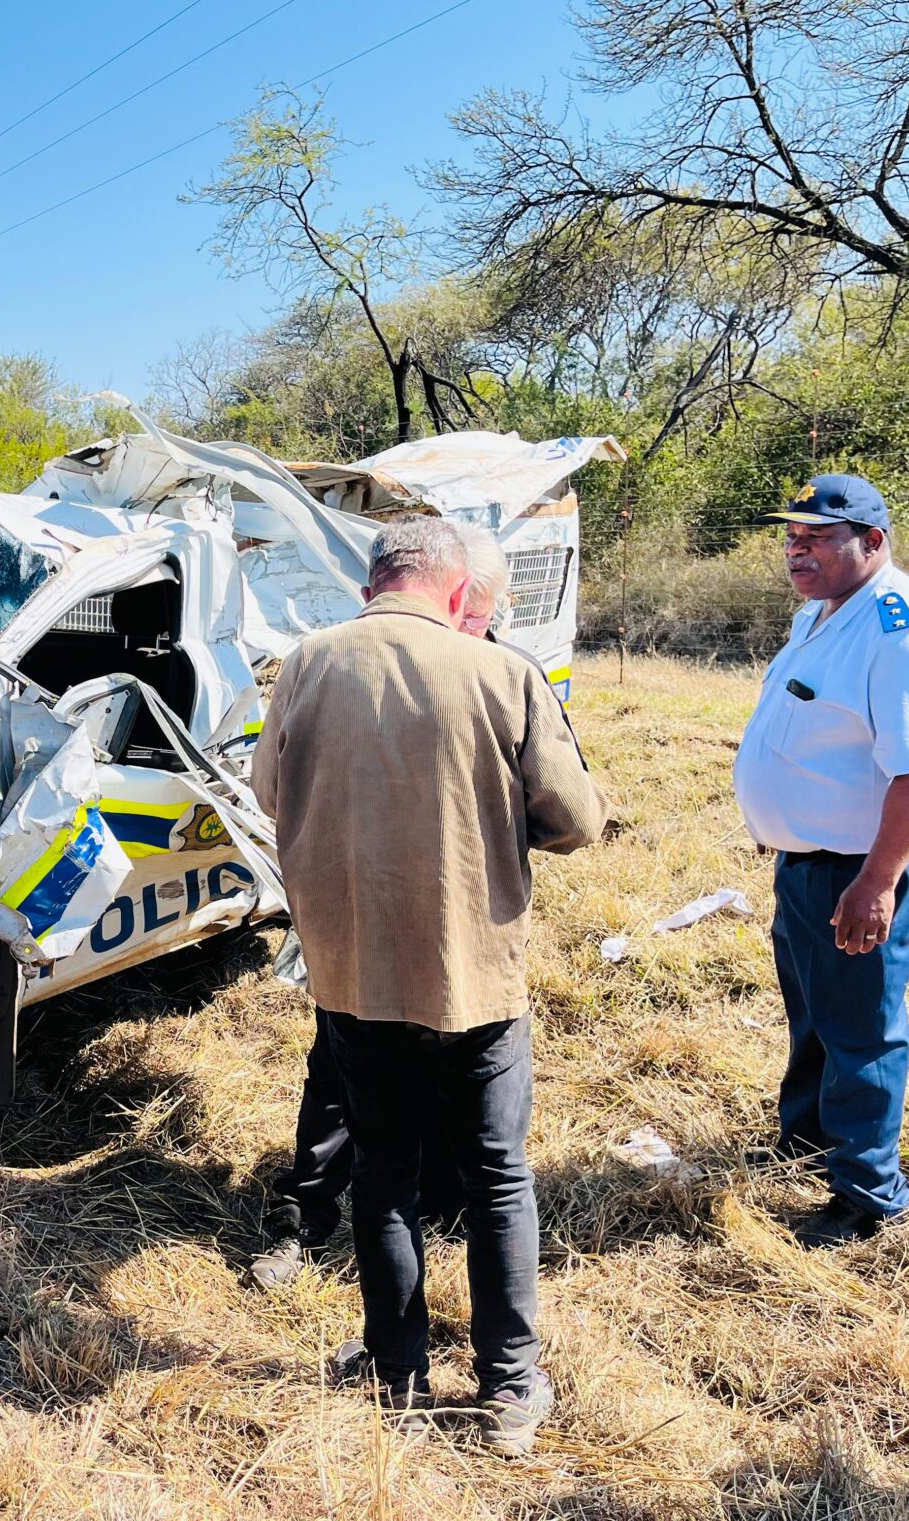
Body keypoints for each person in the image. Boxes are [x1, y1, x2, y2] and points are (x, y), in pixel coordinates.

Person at [252, 516, 606, 1454]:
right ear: (457, 592)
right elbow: (574, 820)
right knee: (496, 1177)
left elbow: (267, 791)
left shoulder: (307, 663)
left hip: (354, 969)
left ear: (374, 582)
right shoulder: (500, 672)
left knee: (383, 1174)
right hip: (474, 975)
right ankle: (509, 1387)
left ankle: (395, 1368)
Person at [732, 475, 909, 1248]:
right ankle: (806, 1138)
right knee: (812, 1006)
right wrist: (784, 815)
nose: (797, 551)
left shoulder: (901, 632)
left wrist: (875, 882)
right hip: (811, 860)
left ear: (872, 540)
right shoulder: (822, 612)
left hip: (863, 867)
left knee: (860, 1024)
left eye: (817, 538)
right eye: (791, 537)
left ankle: (867, 1194)